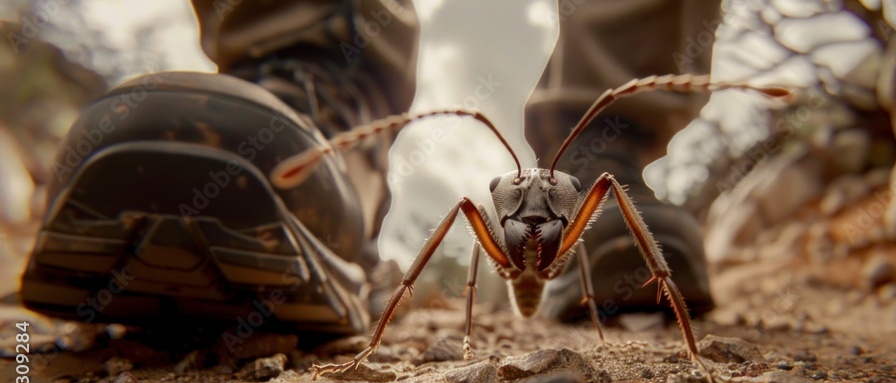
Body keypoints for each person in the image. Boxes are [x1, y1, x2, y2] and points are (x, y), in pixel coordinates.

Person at [19, 0, 715, 337]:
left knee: (601, 179)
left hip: (573, 231)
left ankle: (608, 150)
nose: (527, 209)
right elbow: (474, 232)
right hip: (512, 275)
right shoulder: (490, 219)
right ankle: (314, 76)